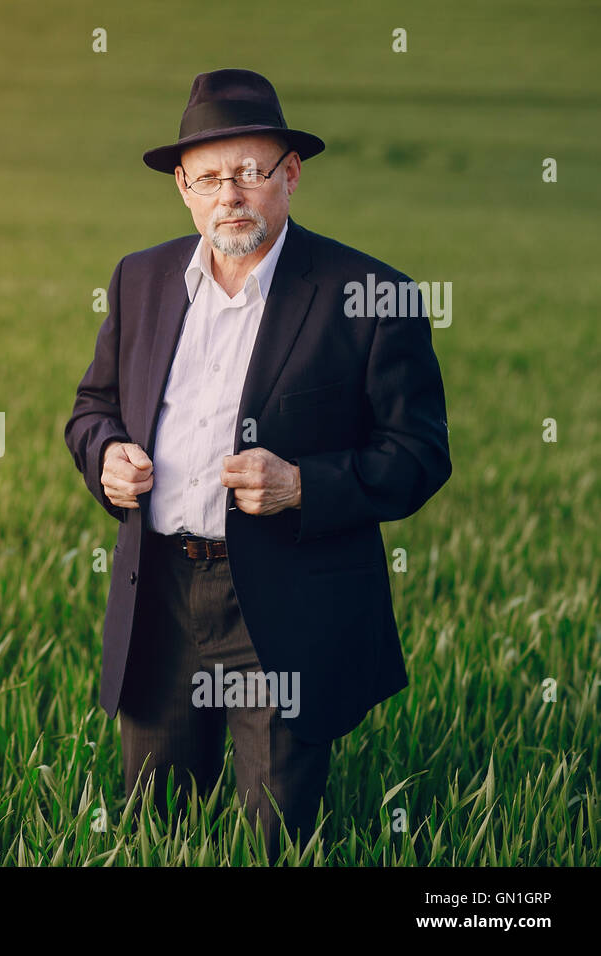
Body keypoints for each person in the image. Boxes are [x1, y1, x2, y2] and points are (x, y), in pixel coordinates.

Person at [63, 68, 451, 861]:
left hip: (287, 600)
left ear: (291, 175)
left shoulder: (372, 293)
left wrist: (304, 485)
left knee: (272, 837)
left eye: (249, 171)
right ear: (182, 187)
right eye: (208, 177)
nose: (229, 195)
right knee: (155, 826)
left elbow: (418, 455)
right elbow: (90, 409)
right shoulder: (140, 279)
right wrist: (105, 457)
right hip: (160, 593)